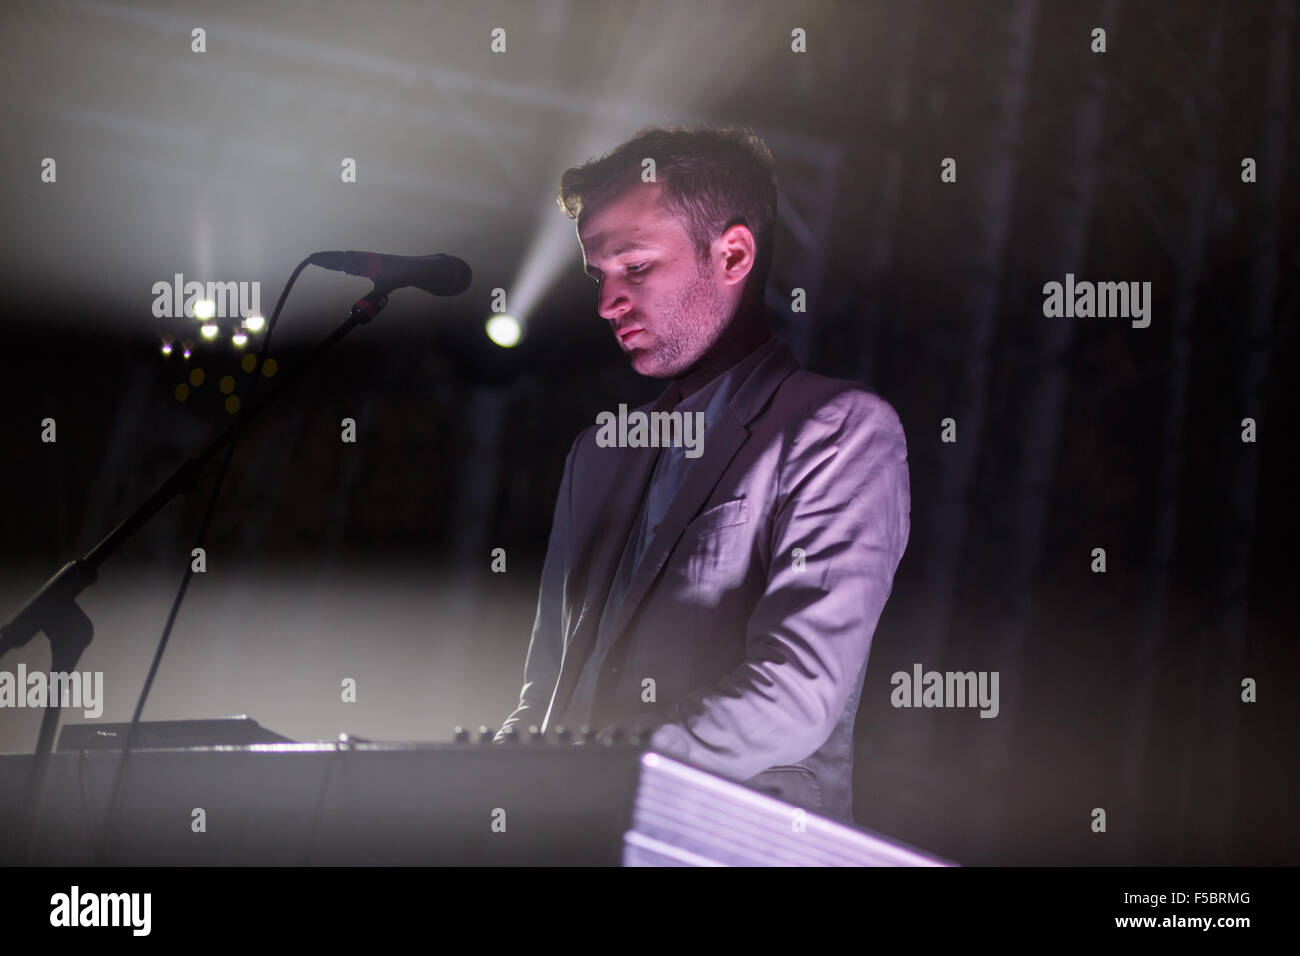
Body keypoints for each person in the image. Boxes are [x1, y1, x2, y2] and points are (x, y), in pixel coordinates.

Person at [495, 125, 910, 823]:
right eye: (599, 276)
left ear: (734, 253)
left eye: (635, 267)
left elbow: (796, 691)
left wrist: (601, 778)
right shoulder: (596, 454)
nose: (606, 302)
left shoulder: (838, 429)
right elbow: (546, 690)